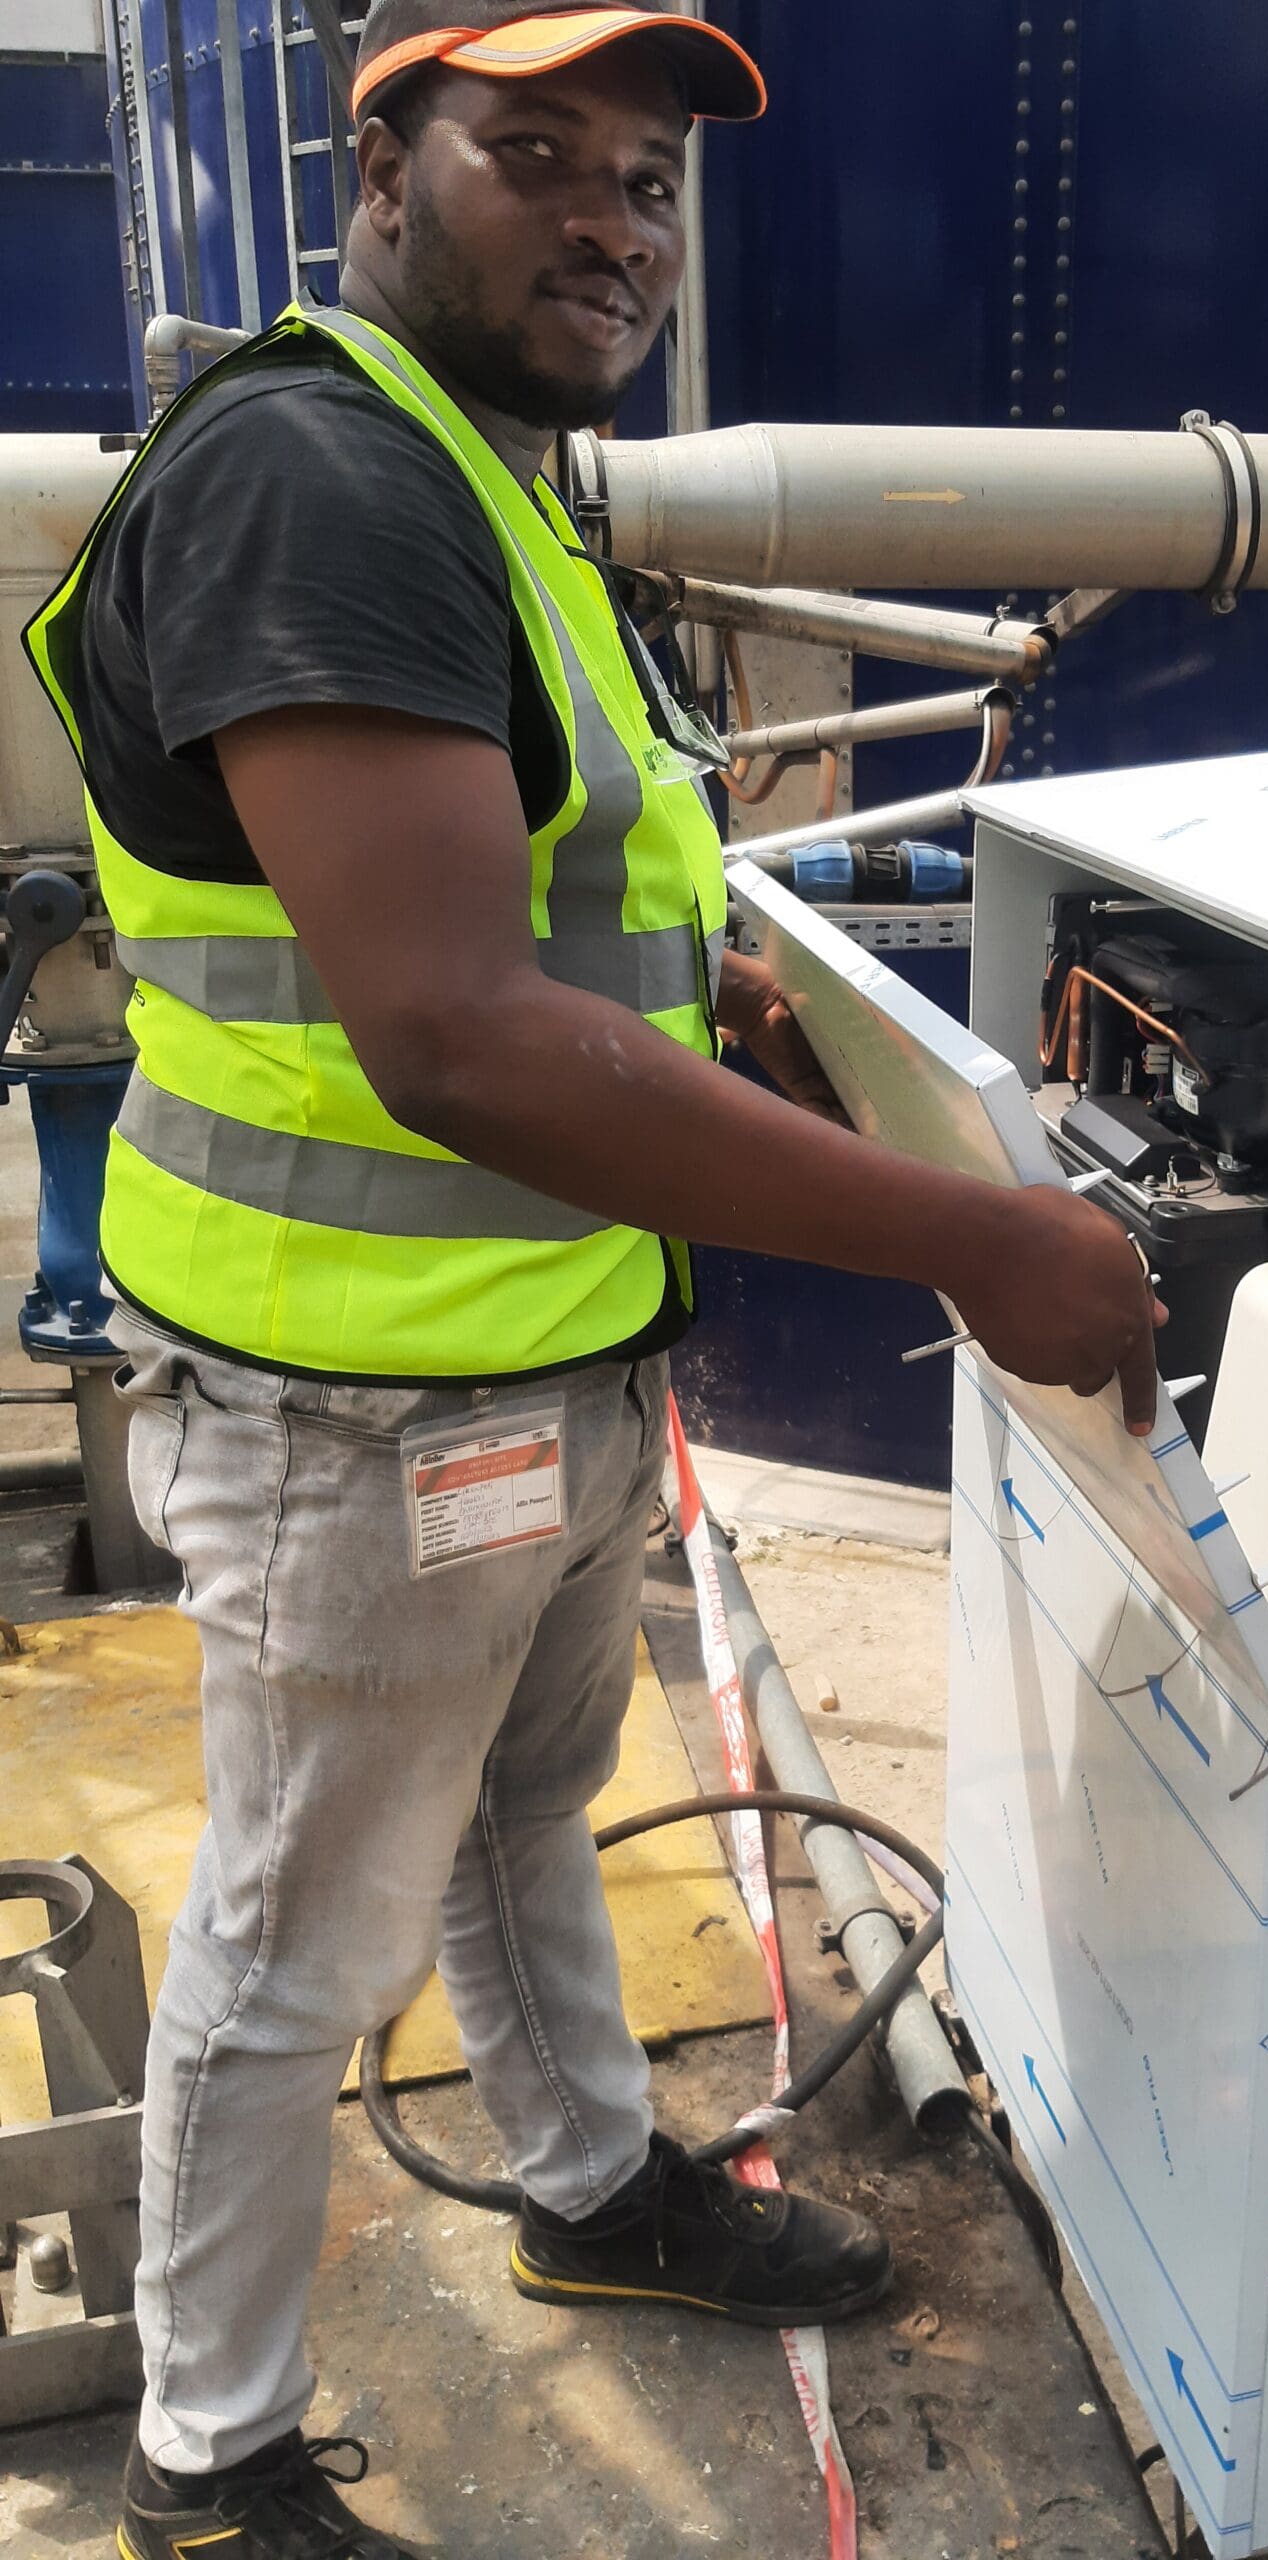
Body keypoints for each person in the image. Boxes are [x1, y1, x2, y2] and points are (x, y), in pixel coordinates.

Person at [23, 6, 1164, 2553]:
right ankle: (205, 2453)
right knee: (293, 1938)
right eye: (531, 152)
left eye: (645, 177)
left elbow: (537, 898)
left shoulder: (489, 476)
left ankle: (584, 2181)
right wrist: (972, 1235)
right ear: (379, 165)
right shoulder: (322, 480)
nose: (611, 221)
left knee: (522, 1807)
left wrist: (714, 994)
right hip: (352, 1400)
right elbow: (448, 1028)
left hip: (534, 1345)